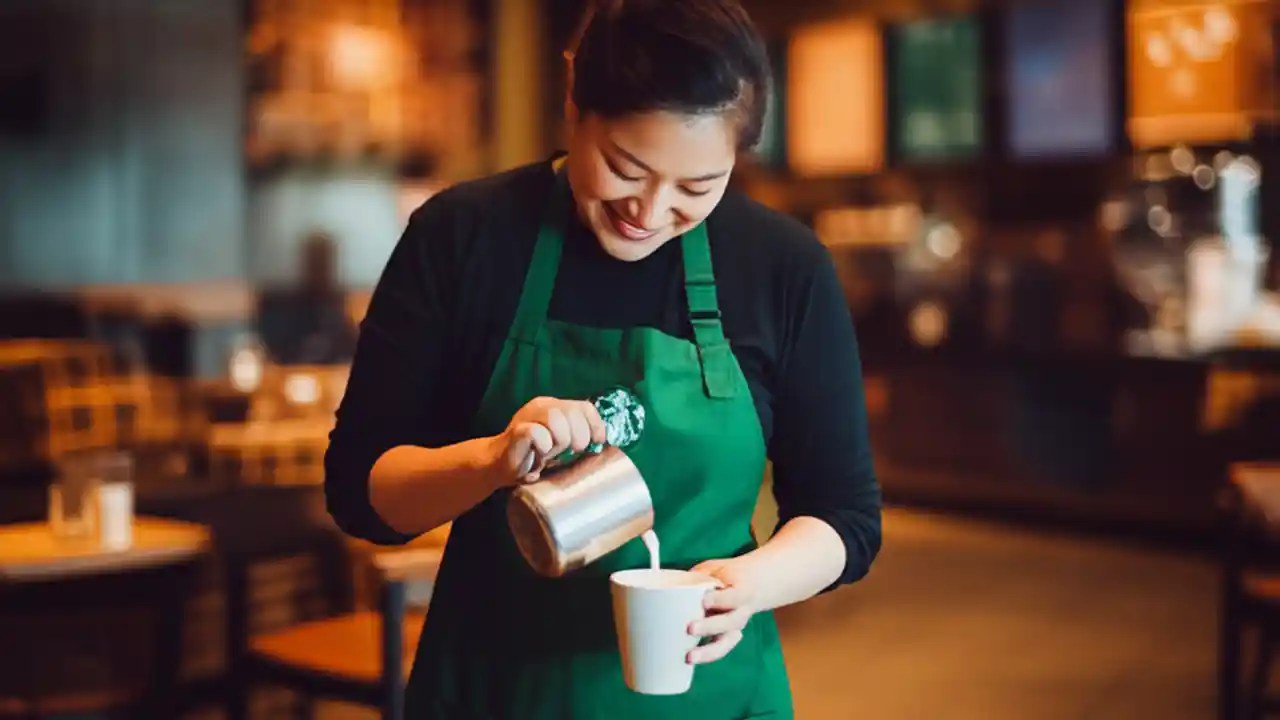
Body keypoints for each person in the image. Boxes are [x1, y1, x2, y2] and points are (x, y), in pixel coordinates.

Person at [324, 0, 882, 716]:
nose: (649, 211)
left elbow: (845, 517)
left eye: (696, 188)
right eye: (625, 167)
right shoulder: (464, 236)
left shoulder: (784, 266)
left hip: (707, 696)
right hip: (497, 688)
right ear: (573, 105)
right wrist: (493, 462)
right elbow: (360, 490)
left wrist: (748, 587)